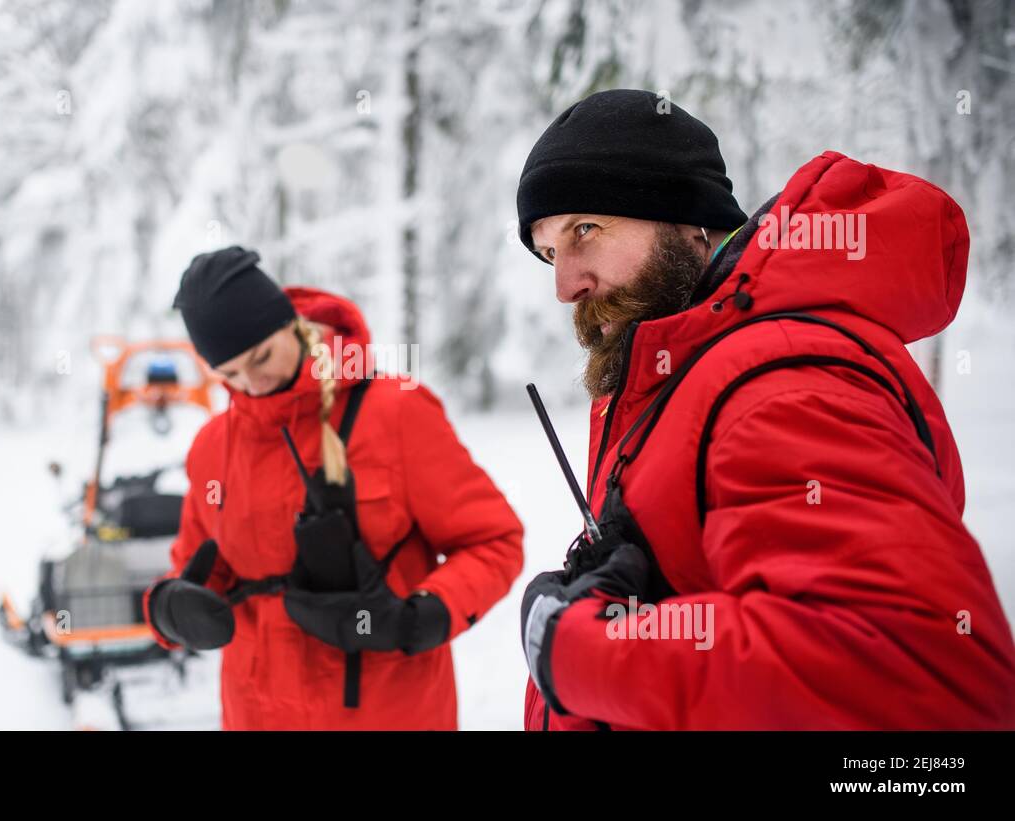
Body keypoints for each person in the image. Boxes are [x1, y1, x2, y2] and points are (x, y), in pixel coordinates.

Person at [515, 89, 1015, 730]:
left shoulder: (780, 381)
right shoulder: (690, 379)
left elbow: (921, 677)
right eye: (551, 251)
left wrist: (580, 651)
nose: (565, 285)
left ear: (691, 222)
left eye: (585, 230)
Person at [144, 246, 523, 729]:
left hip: (385, 711)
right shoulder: (212, 447)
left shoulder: (395, 413)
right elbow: (197, 568)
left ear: (291, 325)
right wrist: (172, 607)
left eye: (261, 357)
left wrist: (422, 615)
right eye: (230, 374)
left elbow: (495, 541)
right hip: (255, 713)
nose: (253, 384)